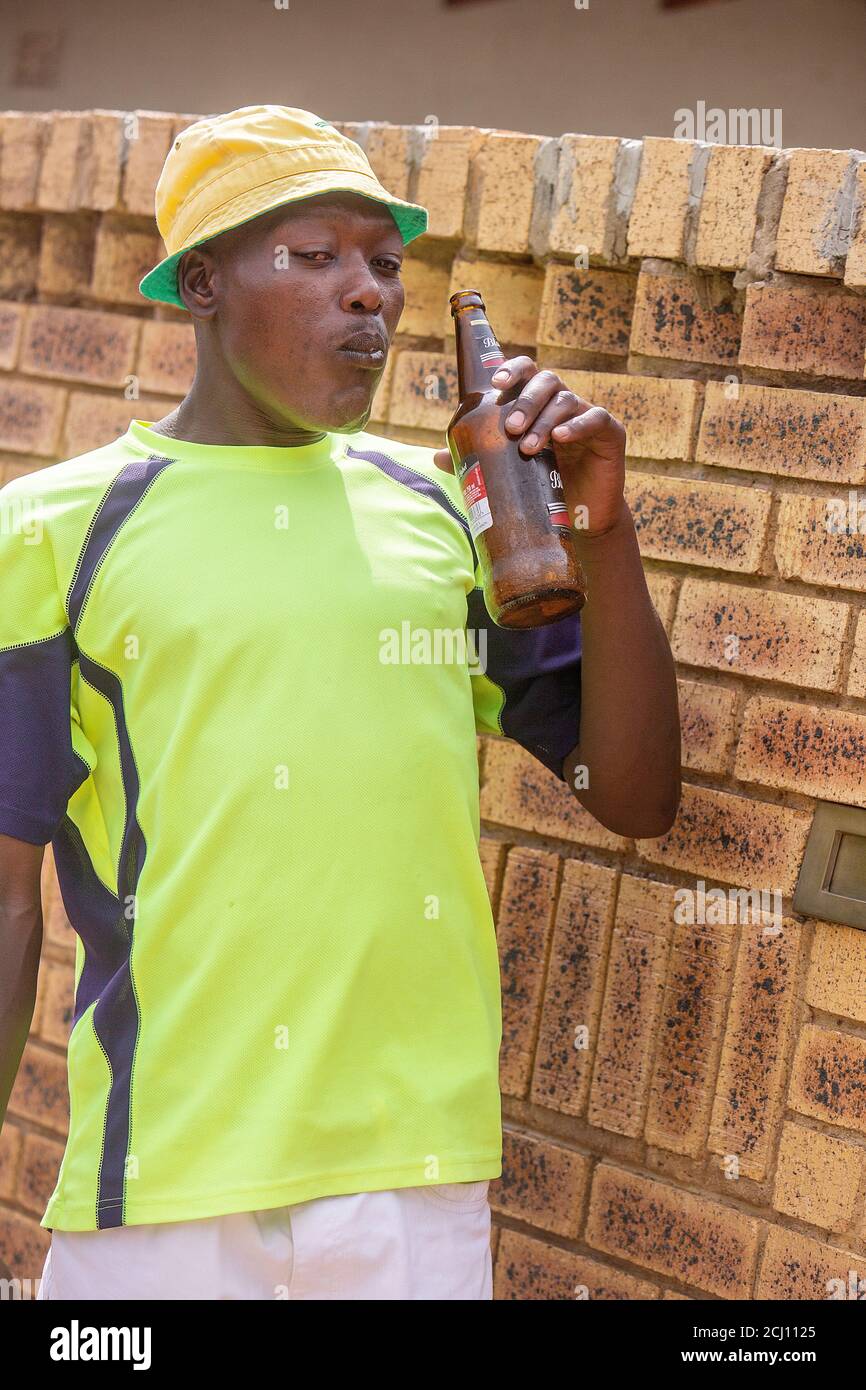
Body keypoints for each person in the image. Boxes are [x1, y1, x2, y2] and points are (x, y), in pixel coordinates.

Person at [0, 106, 680, 1301]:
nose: (366, 294)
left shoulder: (441, 511)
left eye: (383, 263)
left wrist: (602, 534)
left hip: (407, 1177)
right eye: (315, 258)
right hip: (159, 1182)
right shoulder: (54, 533)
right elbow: (4, 898)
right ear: (200, 284)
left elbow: (628, 795)